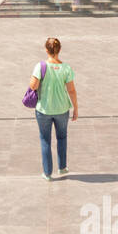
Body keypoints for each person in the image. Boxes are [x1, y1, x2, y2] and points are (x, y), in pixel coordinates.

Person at [28, 36, 78, 180]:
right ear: (59, 50)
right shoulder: (66, 68)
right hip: (62, 109)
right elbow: (72, 90)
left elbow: (33, 86)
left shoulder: (40, 66)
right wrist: (76, 108)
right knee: (62, 137)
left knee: (45, 139)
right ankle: (62, 167)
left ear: (46, 50)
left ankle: (48, 173)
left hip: (44, 109)